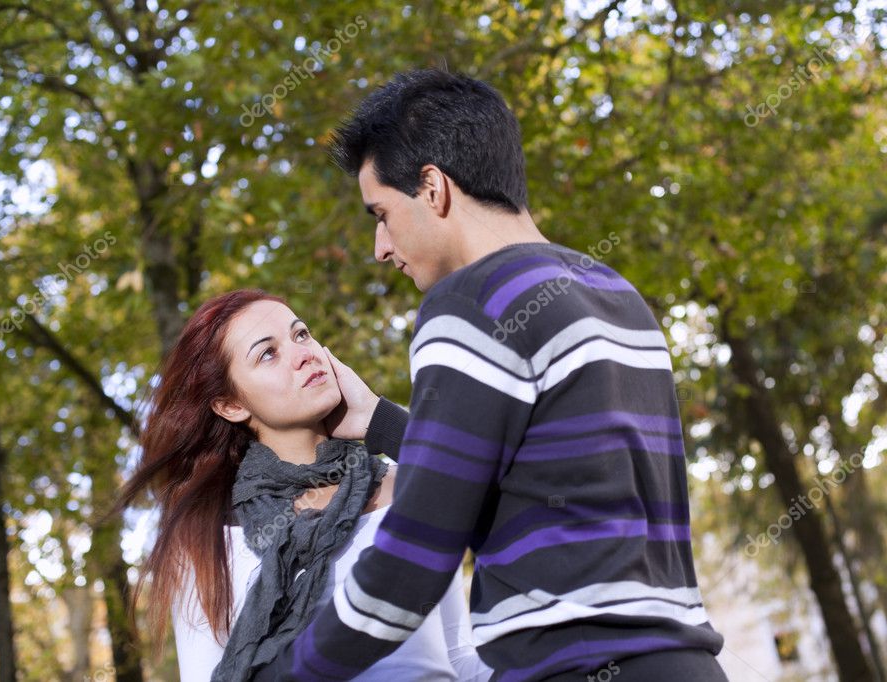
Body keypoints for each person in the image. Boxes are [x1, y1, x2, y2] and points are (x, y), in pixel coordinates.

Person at [254, 69, 728, 681]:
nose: (379, 246)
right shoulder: (615, 295)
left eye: (381, 213)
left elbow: (412, 563)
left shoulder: (472, 302)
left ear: (433, 188)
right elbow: (536, 474)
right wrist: (379, 421)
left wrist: (286, 672)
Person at [112, 289, 491, 681]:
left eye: (301, 334)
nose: (303, 353)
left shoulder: (407, 486)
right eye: (268, 353)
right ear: (231, 405)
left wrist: (380, 419)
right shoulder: (206, 535)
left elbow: (458, 653)